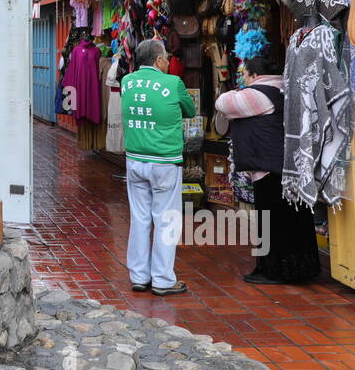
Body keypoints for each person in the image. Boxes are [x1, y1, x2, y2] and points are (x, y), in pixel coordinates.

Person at [214, 54, 320, 284]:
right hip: (289, 165)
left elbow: (222, 103)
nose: (242, 78)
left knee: (271, 222)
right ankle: (301, 269)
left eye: (244, 74)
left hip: (269, 167)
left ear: (255, 75)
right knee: (295, 219)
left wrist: (233, 91)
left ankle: (273, 271)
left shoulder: (258, 94)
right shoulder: (285, 88)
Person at [120, 38, 195, 295]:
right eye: (165, 58)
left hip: (135, 159)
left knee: (140, 218)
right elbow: (190, 109)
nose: (167, 61)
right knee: (165, 220)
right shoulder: (173, 83)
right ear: (158, 60)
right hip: (164, 161)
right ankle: (163, 279)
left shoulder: (127, 82)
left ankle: (139, 276)